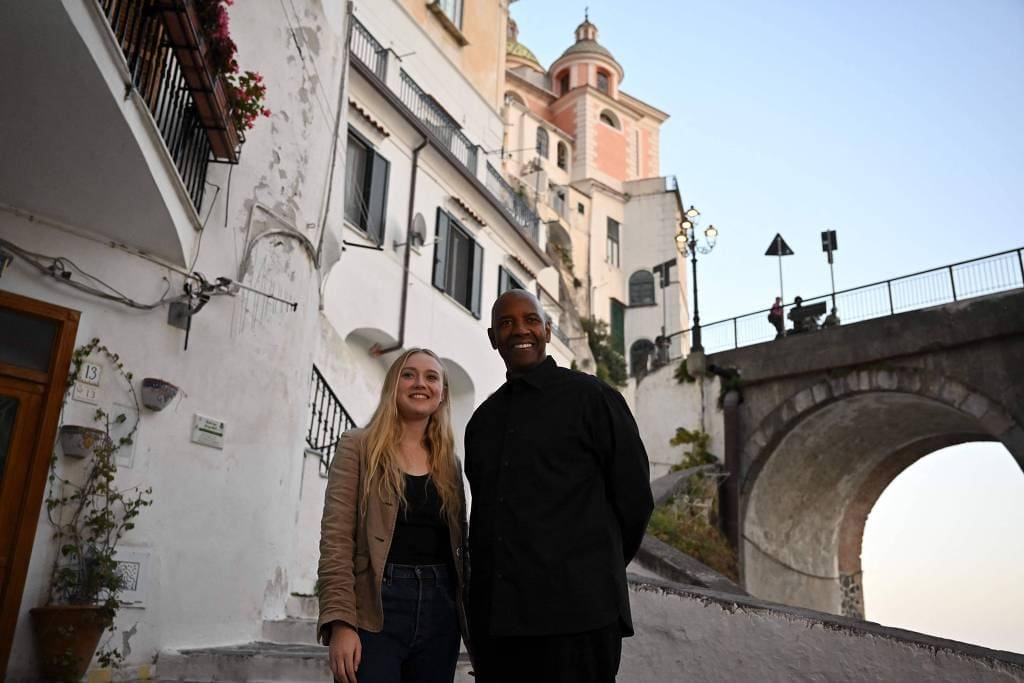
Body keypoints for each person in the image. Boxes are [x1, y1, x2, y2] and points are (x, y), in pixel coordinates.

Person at [464, 290, 654, 683]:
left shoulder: (593, 398)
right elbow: (484, 521)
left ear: (548, 330)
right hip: (500, 631)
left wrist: (593, 572)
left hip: (580, 621)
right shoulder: (481, 424)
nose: (520, 330)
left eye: (531, 320)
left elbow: (635, 501)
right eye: (506, 323)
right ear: (492, 338)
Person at [317, 348, 467, 683]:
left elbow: (459, 551)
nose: (421, 383)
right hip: (375, 609)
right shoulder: (357, 446)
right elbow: (336, 540)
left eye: (432, 377)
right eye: (409, 374)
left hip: (441, 612)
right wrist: (341, 622)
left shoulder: (450, 462)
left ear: (442, 394)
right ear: (393, 385)